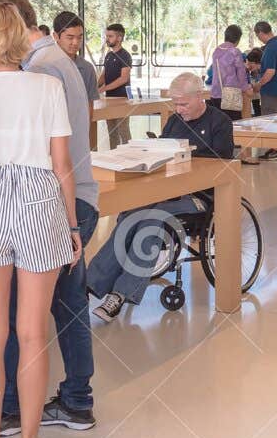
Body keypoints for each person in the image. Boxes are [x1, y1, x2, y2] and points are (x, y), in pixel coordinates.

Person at [0, 0, 101, 438]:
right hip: (40, 203)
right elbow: (61, 167)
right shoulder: (46, 86)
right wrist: (72, 227)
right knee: (33, 334)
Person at [88, 72, 235, 321]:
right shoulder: (175, 121)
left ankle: (121, 294)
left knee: (152, 218)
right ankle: (92, 283)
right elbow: (162, 154)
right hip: (168, 191)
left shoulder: (219, 122)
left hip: (201, 197)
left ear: (199, 97)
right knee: (130, 212)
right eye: (175, 104)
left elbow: (221, 164)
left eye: (184, 104)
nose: (179, 109)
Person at [98, 23, 133, 148]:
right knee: (112, 132)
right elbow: (104, 74)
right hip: (109, 99)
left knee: (123, 131)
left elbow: (124, 78)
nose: (107, 39)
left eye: (110, 36)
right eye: (107, 36)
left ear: (119, 38)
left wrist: (104, 88)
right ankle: (113, 157)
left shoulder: (125, 55)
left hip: (123, 99)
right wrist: (95, 87)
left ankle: (130, 157)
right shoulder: (108, 55)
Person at [52, 12, 99, 102]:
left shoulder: (87, 68)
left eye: (79, 38)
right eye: (70, 37)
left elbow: (89, 106)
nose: (75, 42)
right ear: (55, 36)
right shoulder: (45, 66)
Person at [252, 20, 277, 129]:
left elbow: (270, 72)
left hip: (270, 90)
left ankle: (270, 146)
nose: (259, 39)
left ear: (261, 33)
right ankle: (275, 146)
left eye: (258, 36)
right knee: (276, 122)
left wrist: (259, 84)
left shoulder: (270, 47)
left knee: (269, 123)